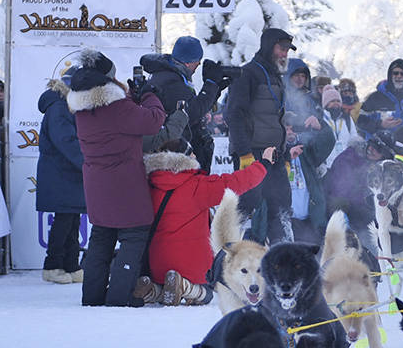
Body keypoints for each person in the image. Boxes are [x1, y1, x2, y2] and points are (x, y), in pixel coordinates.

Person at [69, 50, 166, 306]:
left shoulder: (82, 109)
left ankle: (92, 297)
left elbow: (117, 123)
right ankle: (118, 298)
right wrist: (148, 95)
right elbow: (154, 121)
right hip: (126, 188)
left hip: (97, 187)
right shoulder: (119, 107)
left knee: (101, 240)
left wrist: (132, 99)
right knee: (133, 239)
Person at [139, 141, 274, 307]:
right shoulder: (197, 185)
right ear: (185, 158)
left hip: (156, 262)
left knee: (161, 281)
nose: (196, 156)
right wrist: (264, 164)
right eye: (192, 153)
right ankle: (184, 286)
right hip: (191, 266)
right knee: (207, 294)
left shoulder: (148, 185)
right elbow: (237, 181)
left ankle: (152, 289)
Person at [225, 27, 294, 244]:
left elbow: (277, 119)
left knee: (281, 206)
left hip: (274, 155)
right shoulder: (247, 74)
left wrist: (284, 156)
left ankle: (280, 258)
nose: (284, 53)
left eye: (287, 50)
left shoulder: (276, 77)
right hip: (252, 153)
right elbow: (234, 114)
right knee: (246, 206)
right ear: (268, 46)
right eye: (281, 48)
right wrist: (244, 153)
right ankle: (227, 252)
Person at [141, 35, 229, 174]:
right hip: (175, 152)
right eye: (197, 61)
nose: (199, 65)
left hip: (172, 147)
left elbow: (189, 106)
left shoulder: (169, 75)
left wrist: (215, 90)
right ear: (188, 62)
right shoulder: (172, 82)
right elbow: (192, 113)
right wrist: (211, 85)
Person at [37, 68, 86, 285]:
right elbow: (66, 141)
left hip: (68, 172)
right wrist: (88, 163)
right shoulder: (59, 108)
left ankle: (71, 265)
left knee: (72, 219)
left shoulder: (67, 106)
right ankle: (53, 265)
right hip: (61, 172)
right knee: (64, 220)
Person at [356, 58, 403, 136]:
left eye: (402, 74)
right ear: (390, 75)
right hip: (380, 146)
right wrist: (380, 125)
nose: (399, 76)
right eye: (395, 73)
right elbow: (361, 122)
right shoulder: (374, 98)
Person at [318, 83, 359, 173]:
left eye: (338, 101)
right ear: (325, 104)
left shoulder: (347, 118)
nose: (336, 103)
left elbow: (354, 138)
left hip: (346, 166)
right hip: (327, 167)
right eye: (332, 101)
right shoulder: (320, 119)